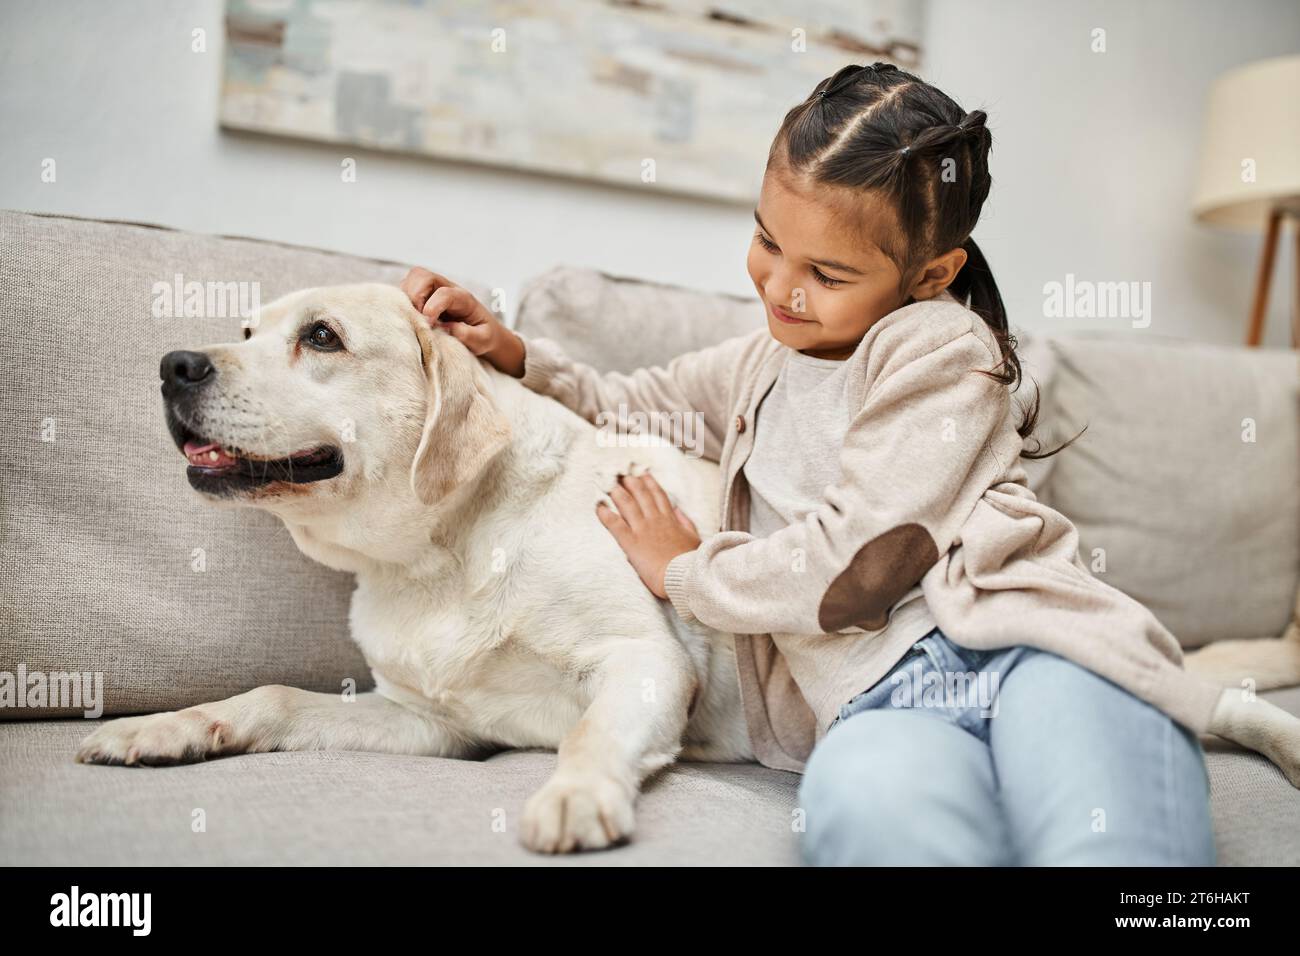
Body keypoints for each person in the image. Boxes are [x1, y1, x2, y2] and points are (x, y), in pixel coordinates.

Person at [399, 62, 1220, 865]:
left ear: (931, 275)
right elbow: (627, 402)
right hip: (879, 702)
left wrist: (686, 571)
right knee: (872, 820)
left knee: (1108, 841)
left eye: (826, 273)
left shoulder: (940, 350)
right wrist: (511, 352)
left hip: (1031, 651)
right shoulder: (760, 366)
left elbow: (861, 564)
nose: (781, 289)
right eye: (767, 240)